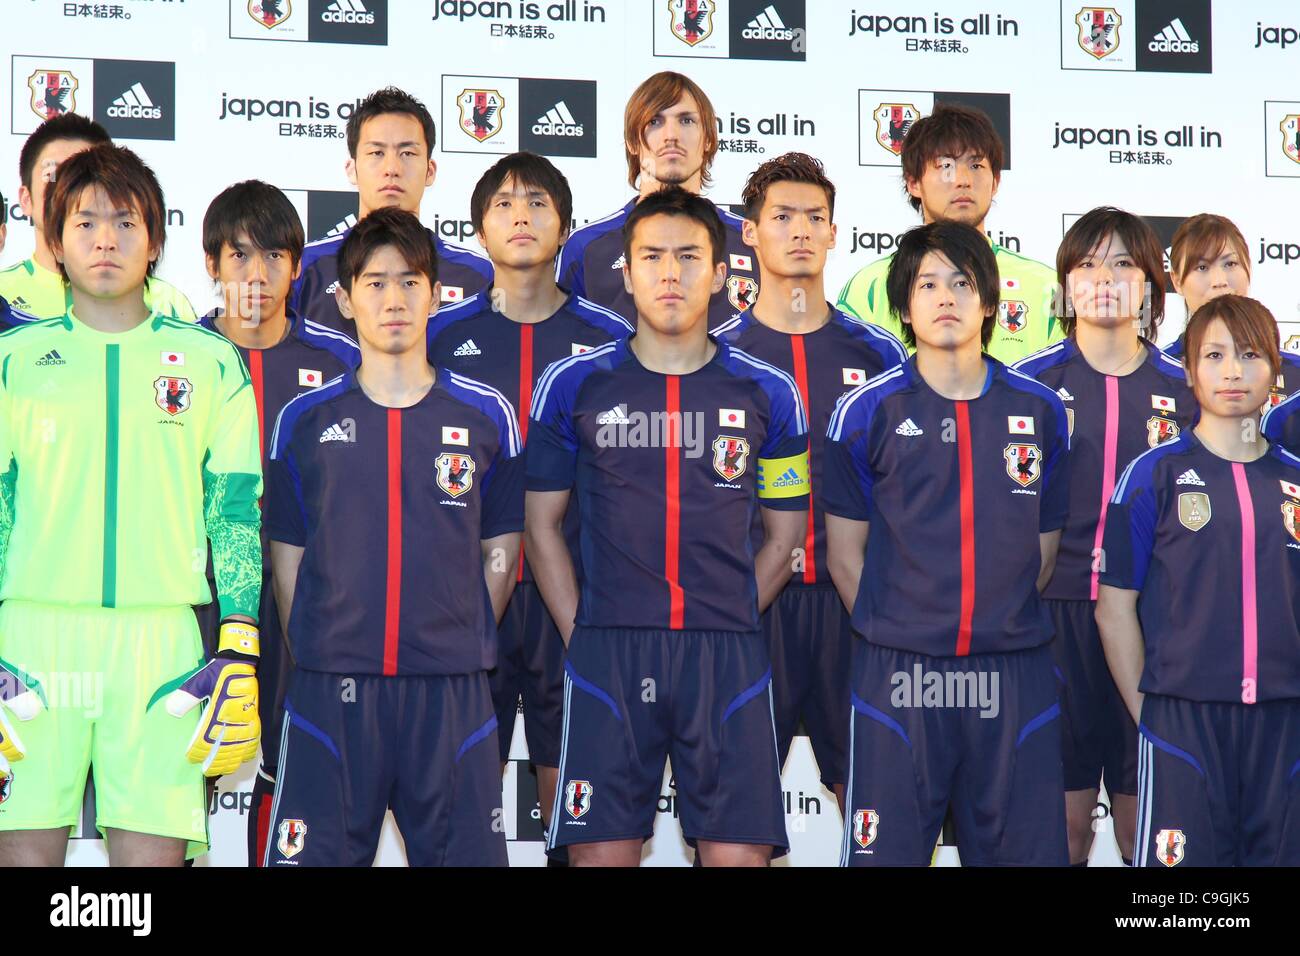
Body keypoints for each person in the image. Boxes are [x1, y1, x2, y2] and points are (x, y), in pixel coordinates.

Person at [527, 187, 810, 866]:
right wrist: (585, 633)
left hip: (727, 654)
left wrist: (730, 613)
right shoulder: (573, 384)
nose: (670, 273)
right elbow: (540, 527)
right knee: (600, 857)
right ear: (627, 271)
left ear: (719, 273)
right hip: (609, 654)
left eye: (689, 257)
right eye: (652, 256)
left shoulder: (770, 392)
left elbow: (786, 535)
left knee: (739, 858)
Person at [0, 144, 262, 866]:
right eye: (85, 223)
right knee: (22, 856)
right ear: (55, 241)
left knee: (150, 870)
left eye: (125, 221)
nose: (106, 239)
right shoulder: (13, 361)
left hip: (161, 649)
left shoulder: (212, 362)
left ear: (155, 239)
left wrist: (239, 642)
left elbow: (235, 511)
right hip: (29, 642)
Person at [264, 208, 521, 866]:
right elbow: (287, 556)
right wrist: (324, 646)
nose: (394, 298)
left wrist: (453, 636)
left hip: (451, 694)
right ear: (345, 301)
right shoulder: (305, 420)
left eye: (410, 281)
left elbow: (501, 547)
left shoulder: (486, 415)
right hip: (331, 691)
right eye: (374, 284)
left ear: (436, 295)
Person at [824, 221, 1071, 866]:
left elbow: (1041, 553)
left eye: (962, 283)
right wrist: (904, 631)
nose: (945, 297)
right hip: (901, 675)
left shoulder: (1042, 411)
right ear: (905, 304)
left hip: (1011, 674)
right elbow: (845, 555)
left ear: (989, 301)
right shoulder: (867, 411)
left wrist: (993, 622)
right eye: (927, 283)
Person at [428, 152, 630, 847]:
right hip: (465, 594)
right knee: (460, 795)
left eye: (538, 202)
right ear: (479, 230)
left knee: (572, 794)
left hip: (571, 593)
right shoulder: (439, 339)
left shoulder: (610, 343)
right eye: (505, 204)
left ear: (567, 227)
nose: (521, 215)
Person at [713, 153, 905, 811]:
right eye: (783, 216)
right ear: (749, 232)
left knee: (874, 807)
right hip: (751, 608)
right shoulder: (716, 355)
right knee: (735, 812)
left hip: (855, 608)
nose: (799, 231)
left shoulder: (880, 356)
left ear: (834, 232)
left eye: (814, 218)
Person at [1014, 207, 1195, 866]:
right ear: (1064, 283)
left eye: (1123, 262)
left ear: (1151, 283)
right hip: (1050, 625)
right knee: (1059, 831)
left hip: (1153, 624)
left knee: (1146, 829)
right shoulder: (1026, 388)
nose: (1105, 278)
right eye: (1087, 263)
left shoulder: (1191, 390)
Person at [1098, 294, 1300, 866]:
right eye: (1214, 354)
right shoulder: (1150, 477)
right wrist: (1153, 715)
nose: (1233, 370)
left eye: (1250, 354)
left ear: (1275, 373)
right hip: (1182, 720)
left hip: (1285, 722)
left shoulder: (1294, 479)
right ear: (1188, 370)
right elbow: (1113, 609)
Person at [197, 180, 360, 866]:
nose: (256, 275)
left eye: (274, 257)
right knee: (188, 758)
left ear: (299, 267)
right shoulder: (178, 353)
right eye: (239, 257)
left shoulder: (341, 362)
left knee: (294, 760)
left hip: (308, 591)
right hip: (201, 591)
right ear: (211, 266)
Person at [836, 104, 1060, 364]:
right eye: (945, 166)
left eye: (976, 166)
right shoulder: (870, 286)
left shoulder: (1046, 286)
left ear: (996, 181)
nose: (962, 179)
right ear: (913, 183)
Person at [556, 72, 757, 329]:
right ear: (632, 141)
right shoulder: (586, 247)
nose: (671, 135)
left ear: (708, 138)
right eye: (654, 121)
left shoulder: (751, 242)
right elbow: (564, 344)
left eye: (686, 120)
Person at [291, 87, 493, 333]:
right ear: (351, 169)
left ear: (430, 171)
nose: (392, 168)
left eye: (407, 153)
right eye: (377, 152)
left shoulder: (476, 275)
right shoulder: (305, 268)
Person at [0, 114, 195, 322]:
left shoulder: (168, 302)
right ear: (25, 199)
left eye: (83, 172)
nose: (70, 186)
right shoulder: (4, 290)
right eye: (55, 175)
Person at [1167, 213, 1300, 408]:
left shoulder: (1294, 373)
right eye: (1202, 267)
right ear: (1177, 281)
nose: (1220, 280)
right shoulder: (1158, 372)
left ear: (1249, 269)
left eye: (1230, 264)